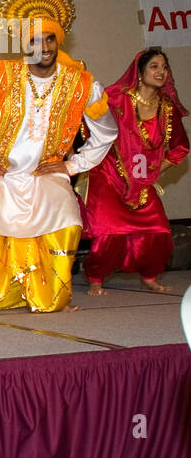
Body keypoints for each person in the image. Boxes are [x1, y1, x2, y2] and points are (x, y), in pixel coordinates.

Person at [0, 0, 116, 316]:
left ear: (59, 40)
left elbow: (107, 131)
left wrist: (73, 165)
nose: (44, 47)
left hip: (45, 172)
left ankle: (50, 294)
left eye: (50, 38)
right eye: (35, 40)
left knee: (65, 215)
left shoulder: (82, 85)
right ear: (24, 44)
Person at [82, 47, 188, 294]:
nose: (160, 72)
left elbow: (180, 148)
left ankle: (149, 276)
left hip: (141, 183)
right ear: (139, 73)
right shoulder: (116, 100)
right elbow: (90, 128)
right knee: (110, 232)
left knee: (159, 231)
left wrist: (155, 171)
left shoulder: (167, 109)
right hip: (108, 176)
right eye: (154, 66)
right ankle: (95, 279)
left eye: (164, 67)